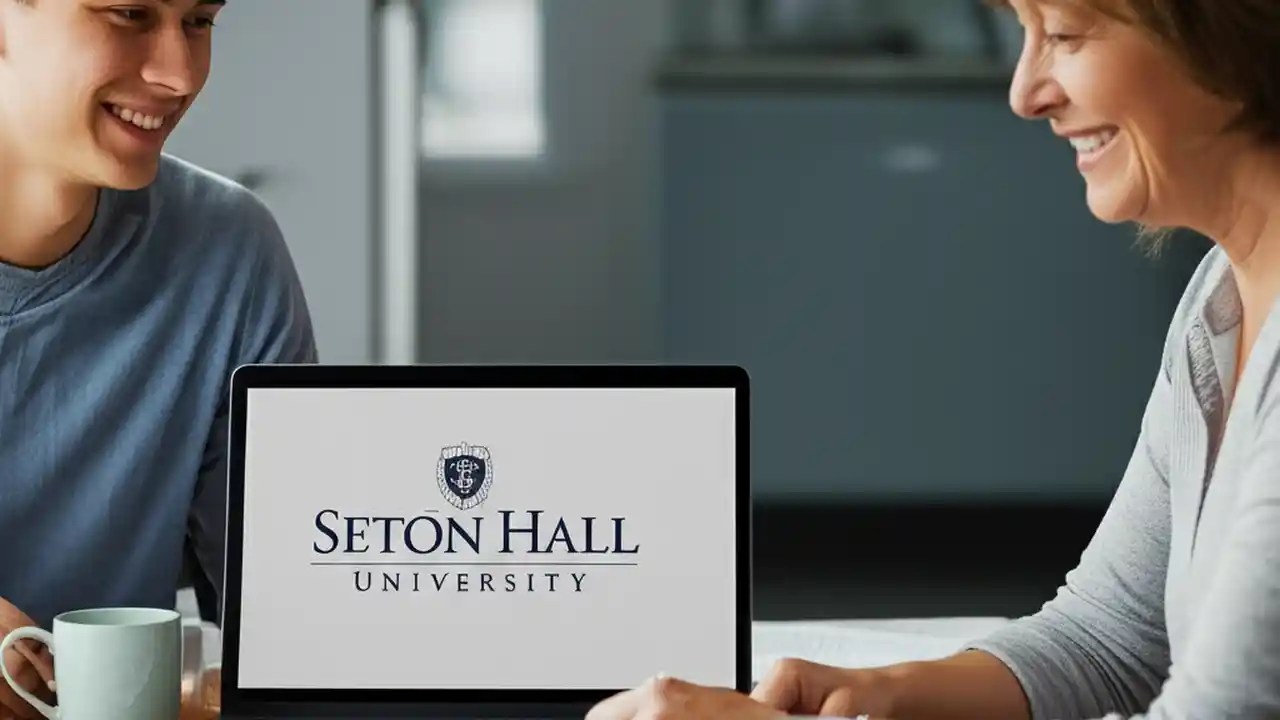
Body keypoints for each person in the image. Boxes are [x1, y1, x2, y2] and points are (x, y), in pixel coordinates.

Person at [588, 0, 1280, 718]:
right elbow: (1111, 645)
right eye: (1025, 34)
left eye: (1066, 36)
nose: (1025, 93)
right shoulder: (1220, 303)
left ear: (1232, 30)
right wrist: (878, 695)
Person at [0, 0, 316, 717]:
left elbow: (292, 628)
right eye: (129, 14)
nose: (179, 75)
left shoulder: (231, 255)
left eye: (201, 21)